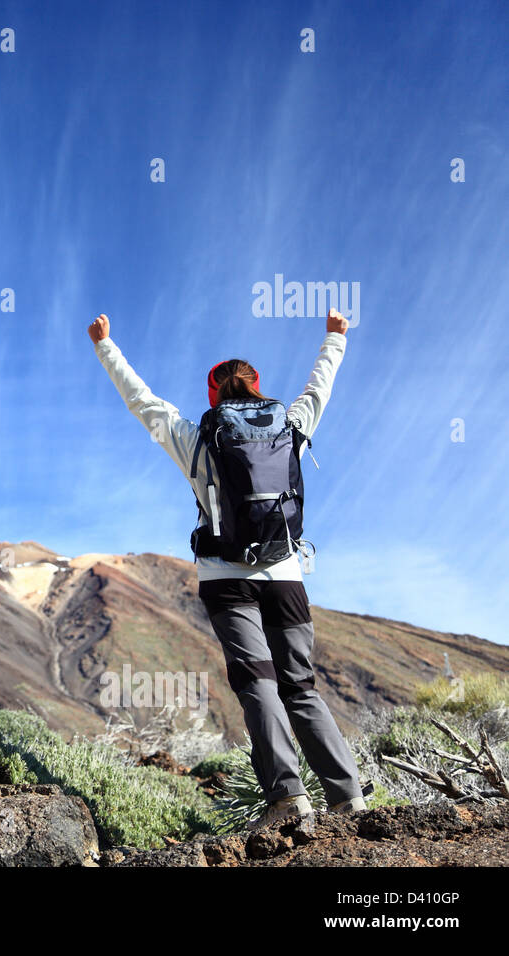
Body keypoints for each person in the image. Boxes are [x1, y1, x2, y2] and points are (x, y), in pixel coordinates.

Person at [88, 308, 366, 827]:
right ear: (258, 389)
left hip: (225, 577)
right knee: (300, 685)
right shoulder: (290, 426)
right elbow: (319, 387)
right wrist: (335, 338)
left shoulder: (199, 440)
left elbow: (141, 402)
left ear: (213, 396)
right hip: (286, 574)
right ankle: (347, 797)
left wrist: (106, 346)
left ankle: (288, 800)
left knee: (257, 683)